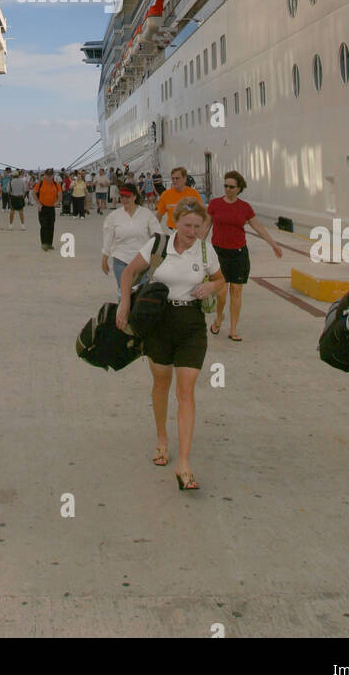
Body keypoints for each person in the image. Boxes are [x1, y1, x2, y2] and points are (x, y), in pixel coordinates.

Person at [116, 200, 226, 490]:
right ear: (175, 222)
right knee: (162, 383)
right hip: (159, 321)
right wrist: (124, 304)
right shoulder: (158, 245)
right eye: (187, 225)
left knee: (186, 391)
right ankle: (162, 439)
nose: (192, 231)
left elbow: (221, 280)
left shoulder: (204, 250)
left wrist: (211, 287)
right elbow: (129, 273)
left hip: (191, 323)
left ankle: (184, 464)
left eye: (197, 226)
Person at [206, 171, 282, 341]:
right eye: (225, 186)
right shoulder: (215, 204)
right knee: (221, 294)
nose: (227, 189)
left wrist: (273, 244)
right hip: (218, 253)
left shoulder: (245, 207)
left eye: (231, 187)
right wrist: (196, 246)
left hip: (239, 253)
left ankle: (233, 329)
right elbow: (206, 226)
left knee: (237, 290)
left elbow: (258, 227)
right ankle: (219, 318)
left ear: (239, 188)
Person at [101, 185, 159, 295]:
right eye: (122, 197)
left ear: (134, 197)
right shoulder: (114, 216)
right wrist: (104, 258)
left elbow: (158, 236)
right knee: (123, 292)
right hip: (121, 259)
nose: (124, 200)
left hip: (142, 261)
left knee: (140, 293)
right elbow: (108, 237)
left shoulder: (146, 214)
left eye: (128, 197)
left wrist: (155, 261)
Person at [34, 168, 61, 251]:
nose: (49, 177)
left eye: (51, 175)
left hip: (51, 208)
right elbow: (33, 193)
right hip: (43, 207)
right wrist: (38, 203)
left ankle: (49, 244)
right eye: (47, 175)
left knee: (51, 226)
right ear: (45, 175)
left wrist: (57, 201)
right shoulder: (40, 183)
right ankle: (44, 244)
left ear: (53, 176)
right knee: (44, 225)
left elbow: (60, 195)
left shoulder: (56, 184)